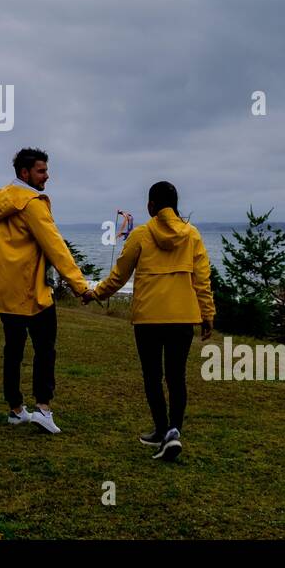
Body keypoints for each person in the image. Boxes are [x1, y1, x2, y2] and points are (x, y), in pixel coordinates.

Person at [86, 181, 215, 460]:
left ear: (150, 206)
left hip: (149, 318)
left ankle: (161, 429)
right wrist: (207, 314)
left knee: (153, 376)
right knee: (176, 377)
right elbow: (202, 280)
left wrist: (94, 293)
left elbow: (119, 276)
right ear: (176, 204)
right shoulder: (192, 235)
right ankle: (174, 431)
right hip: (182, 318)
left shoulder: (141, 235)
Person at [0, 148, 91, 433]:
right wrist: (80, 286)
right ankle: (43, 407)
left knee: (13, 350)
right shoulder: (32, 203)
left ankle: (15, 409)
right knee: (45, 350)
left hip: (5, 290)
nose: (46, 176)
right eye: (41, 171)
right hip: (33, 291)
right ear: (25, 173)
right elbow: (56, 248)